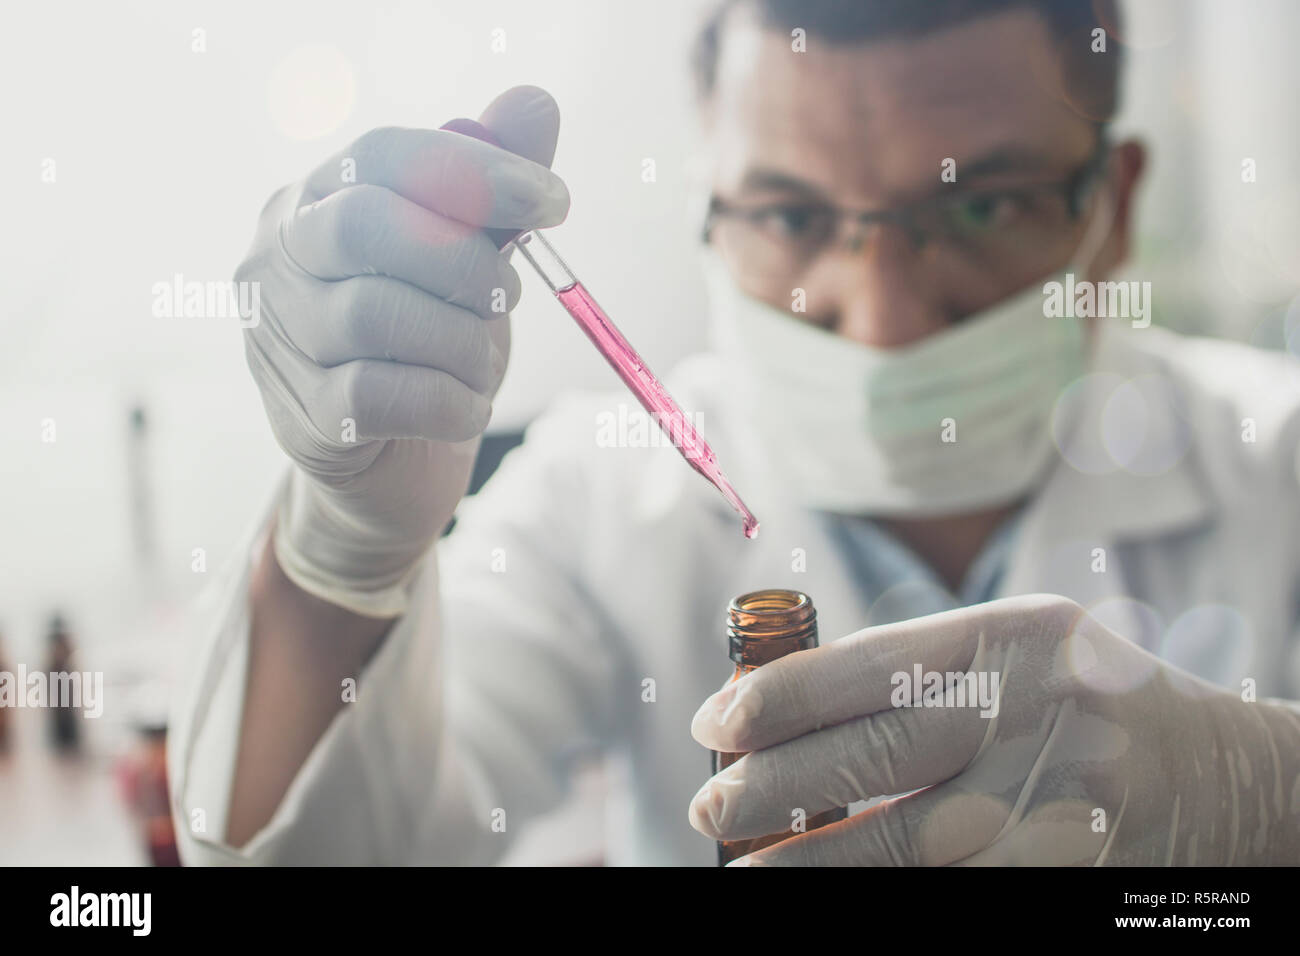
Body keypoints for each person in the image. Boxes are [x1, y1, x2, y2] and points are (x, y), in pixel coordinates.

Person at [168, 0, 1300, 865]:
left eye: (979, 203)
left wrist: (1261, 787)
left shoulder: (1279, 458)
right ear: (713, 212)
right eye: (793, 215)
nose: (883, 317)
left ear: (1115, 207)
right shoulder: (592, 496)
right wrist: (343, 559)